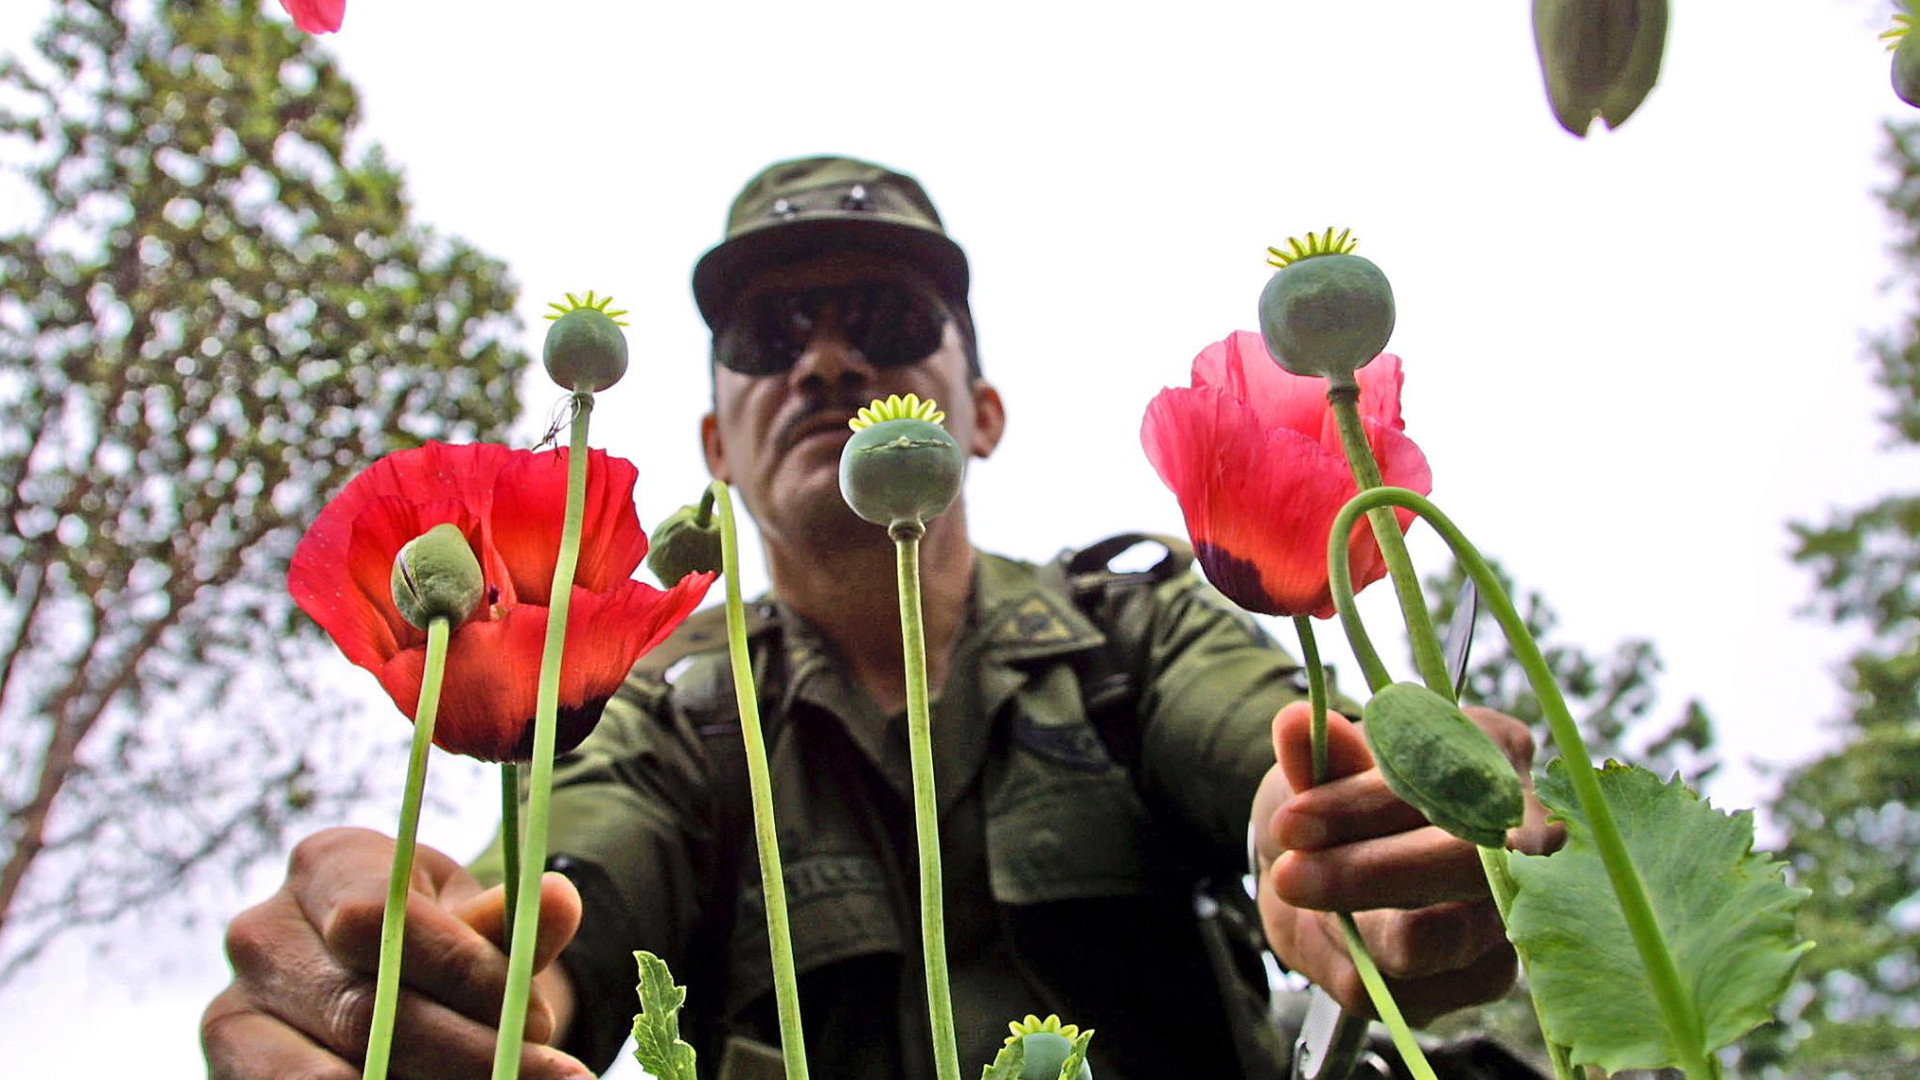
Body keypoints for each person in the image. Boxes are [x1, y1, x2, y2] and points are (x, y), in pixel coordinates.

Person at [201, 156, 1555, 1080]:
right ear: (712, 445)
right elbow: (572, 889)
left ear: (980, 411)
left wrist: (1367, 845)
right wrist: (452, 987)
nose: (829, 360)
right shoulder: (668, 711)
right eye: (768, 332)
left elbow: (1266, 739)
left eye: (890, 318)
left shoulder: (1128, 631)